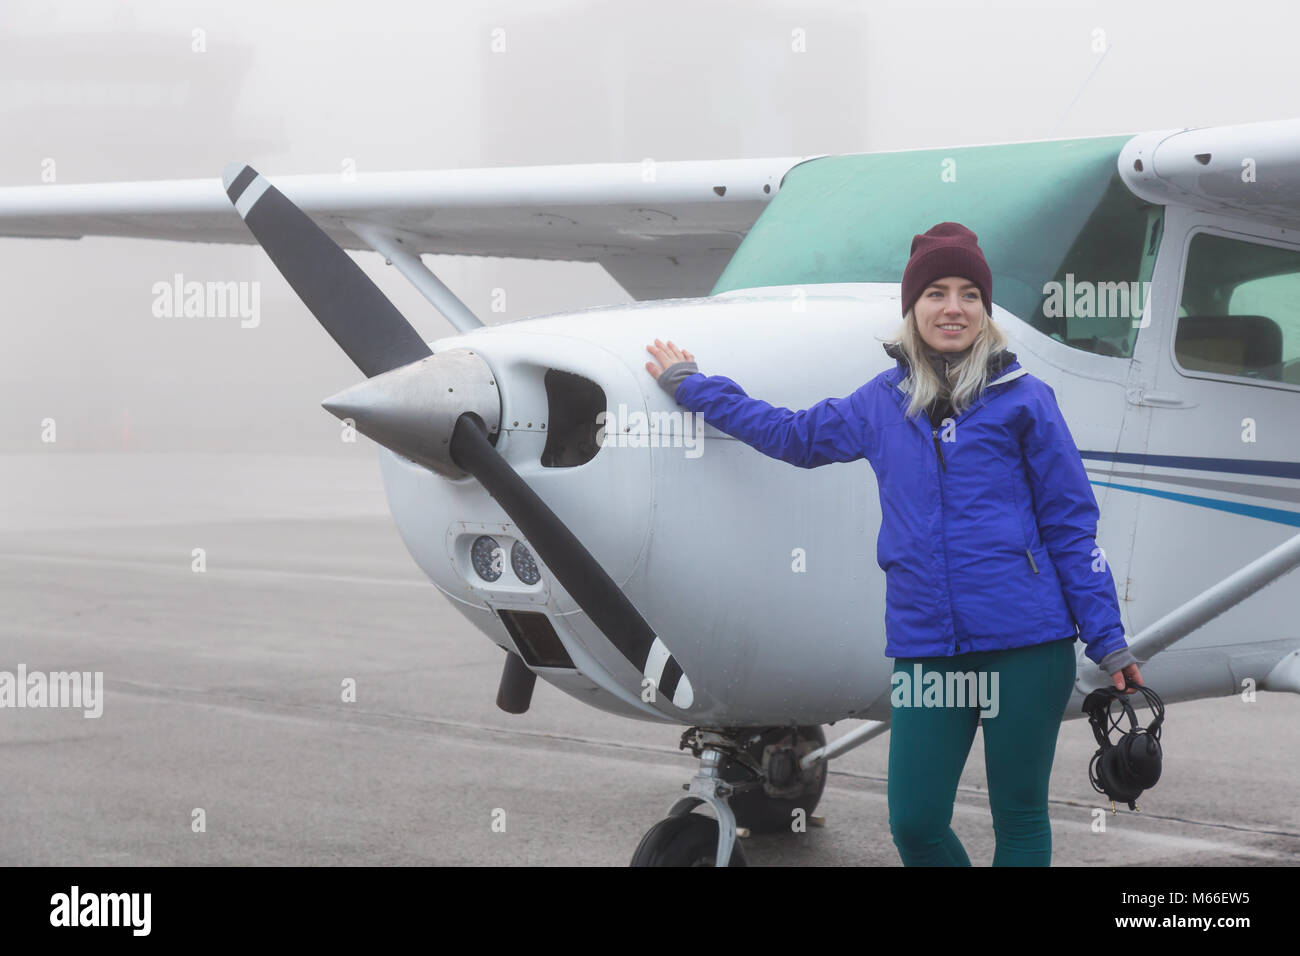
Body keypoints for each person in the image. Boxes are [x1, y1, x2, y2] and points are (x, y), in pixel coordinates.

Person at [644, 221, 1142, 867]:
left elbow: (1071, 527)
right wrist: (692, 385)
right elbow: (792, 436)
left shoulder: (1025, 401)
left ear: (986, 310)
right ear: (913, 308)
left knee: (1018, 817)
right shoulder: (880, 404)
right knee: (914, 822)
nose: (953, 307)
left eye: (969, 293)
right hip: (927, 648)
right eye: (936, 292)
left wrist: (1107, 638)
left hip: (1026, 646)